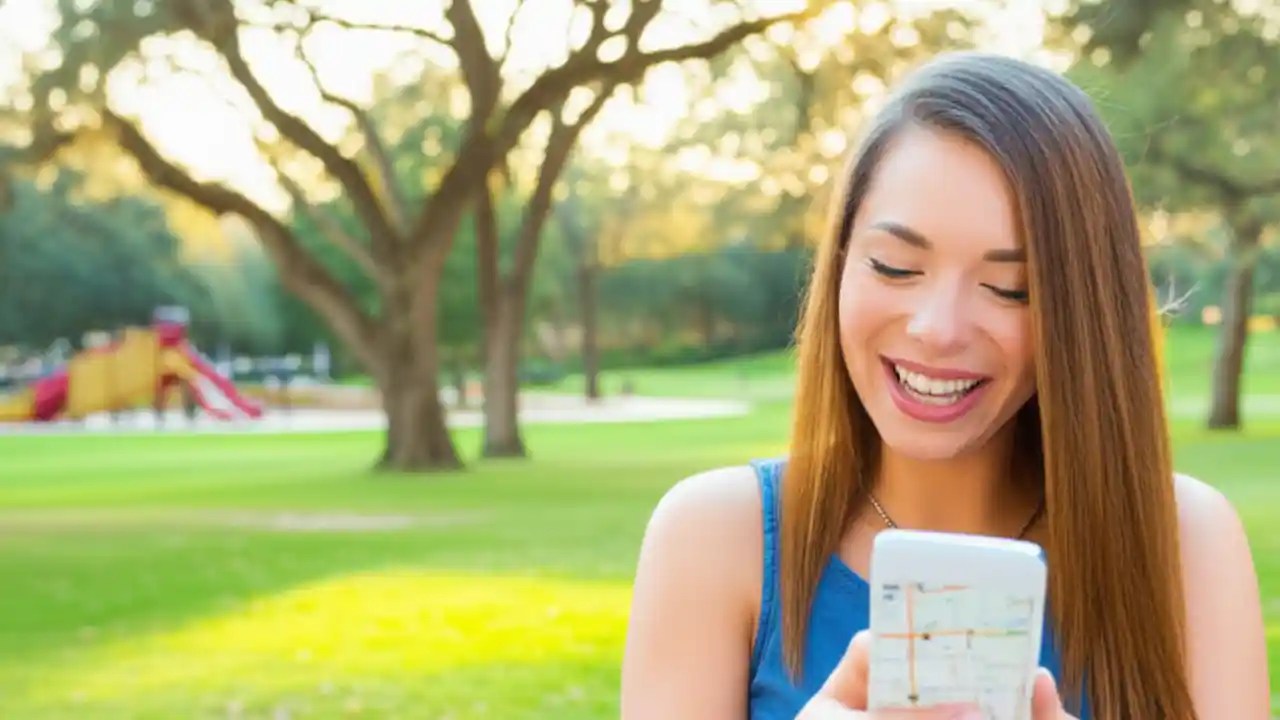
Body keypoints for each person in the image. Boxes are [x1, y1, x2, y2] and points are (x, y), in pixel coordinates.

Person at [619, 51, 1270, 719]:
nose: (937, 329)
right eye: (896, 267)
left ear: (1083, 314)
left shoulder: (1185, 542)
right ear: (841, 263)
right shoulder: (716, 538)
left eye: (1009, 287)